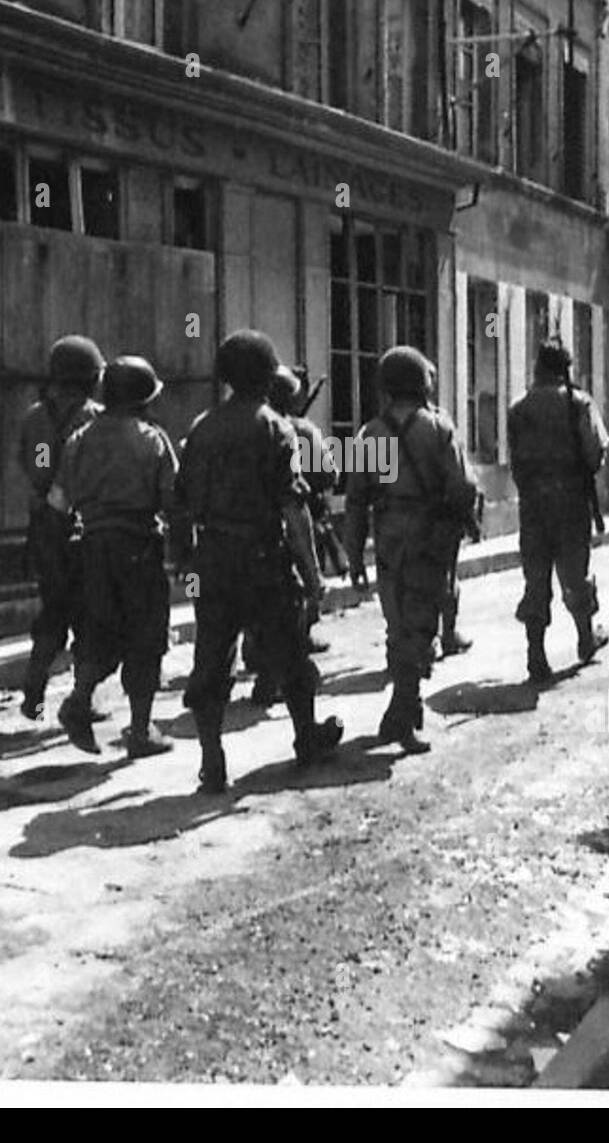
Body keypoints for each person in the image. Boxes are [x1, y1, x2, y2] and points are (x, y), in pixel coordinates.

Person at [174, 329, 344, 794]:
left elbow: (181, 506)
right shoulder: (277, 427)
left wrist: (187, 566)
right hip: (264, 560)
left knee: (210, 660)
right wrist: (313, 578)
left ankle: (213, 763)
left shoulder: (200, 429)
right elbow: (294, 509)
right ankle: (306, 739)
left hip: (213, 560)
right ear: (269, 376)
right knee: (290, 655)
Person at [343, 346, 478, 755]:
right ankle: (403, 716)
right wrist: (464, 521)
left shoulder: (371, 433)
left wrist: (353, 556)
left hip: (388, 535)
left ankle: (400, 711)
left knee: (398, 619)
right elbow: (461, 485)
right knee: (421, 626)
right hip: (428, 535)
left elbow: (356, 499)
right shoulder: (436, 428)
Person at [47, 356, 177, 758]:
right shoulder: (152, 439)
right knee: (145, 636)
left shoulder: (79, 438)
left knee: (100, 630)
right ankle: (140, 730)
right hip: (138, 546)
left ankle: (79, 700)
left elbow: (59, 500)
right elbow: (173, 499)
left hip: (90, 547)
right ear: (143, 399)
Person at [507, 338, 609, 681]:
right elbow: (595, 452)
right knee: (574, 574)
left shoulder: (518, 408)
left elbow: (515, 461)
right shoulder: (578, 403)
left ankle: (535, 655)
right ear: (565, 369)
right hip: (570, 502)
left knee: (535, 578)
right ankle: (585, 637)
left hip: (533, 505)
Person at [16, 335, 105, 720]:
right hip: (83, 526)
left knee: (53, 608)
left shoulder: (35, 417)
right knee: (89, 612)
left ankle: (34, 688)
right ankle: (83, 698)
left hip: (44, 527)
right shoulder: (95, 418)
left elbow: (35, 465)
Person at [246, 364, 339, 705]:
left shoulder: (243, 425)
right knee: (293, 595)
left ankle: (258, 656)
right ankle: (280, 672)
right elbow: (329, 475)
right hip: (294, 517)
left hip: (242, 529)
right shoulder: (301, 430)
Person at [429, 367, 475, 660]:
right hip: (436, 519)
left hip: (391, 522)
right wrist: (468, 516)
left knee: (397, 584)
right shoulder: (438, 426)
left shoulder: (377, 429)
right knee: (444, 577)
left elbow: (361, 487)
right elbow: (462, 482)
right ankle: (445, 634)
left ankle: (405, 642)